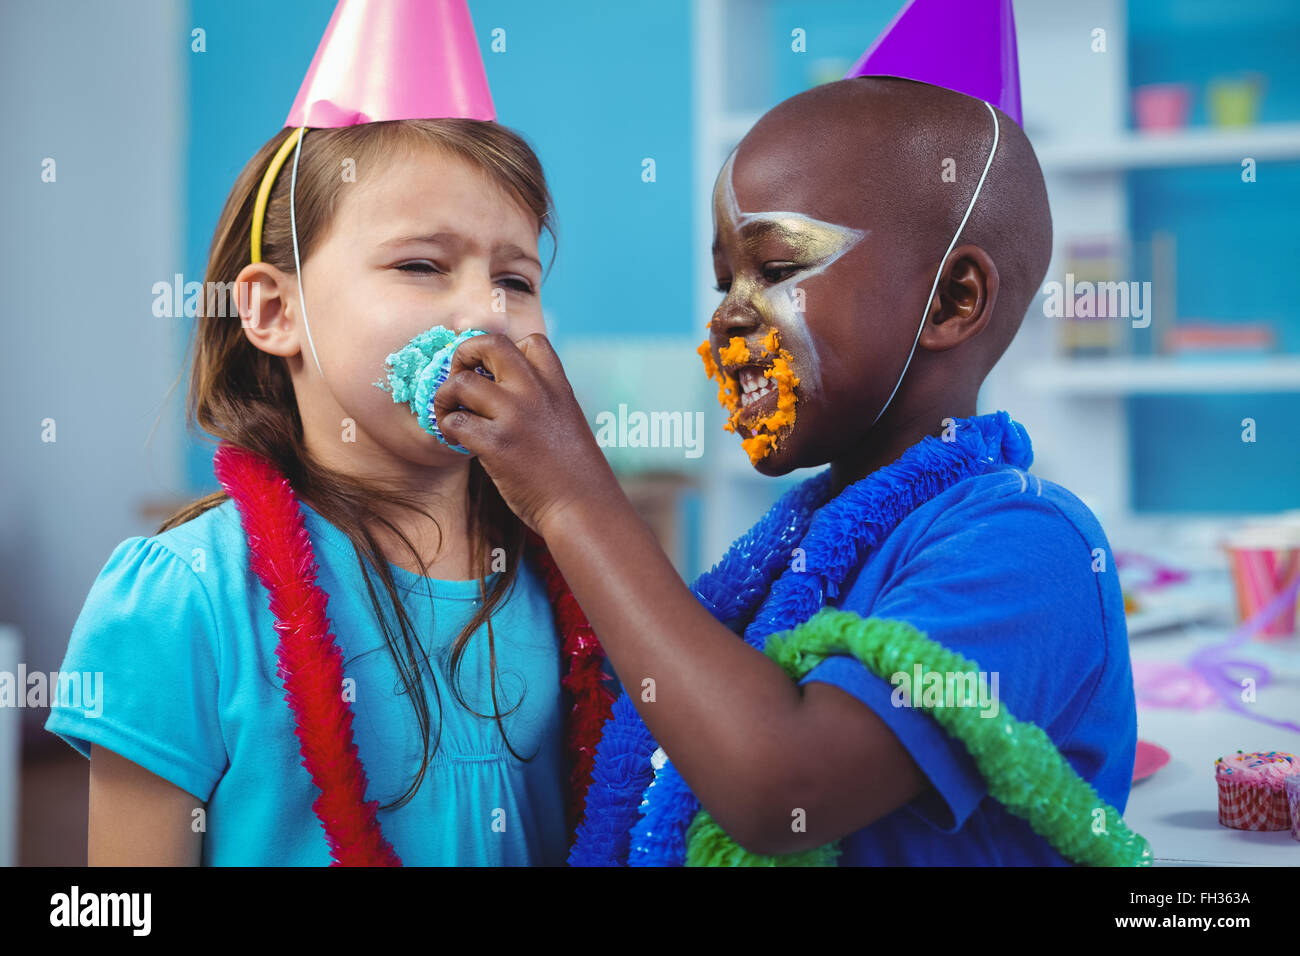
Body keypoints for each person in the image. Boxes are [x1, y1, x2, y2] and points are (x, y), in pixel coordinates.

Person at [433, 0, 1147, 865]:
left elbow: (787, 790)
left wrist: (576, 499)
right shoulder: (801, 541)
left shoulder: (1031, 545)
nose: (731, 318)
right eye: (724, 278)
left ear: (954, 300)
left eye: (776, 270)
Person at [44, 0, 611, 866]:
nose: (483, 312)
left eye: (516, 280)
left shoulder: (572, 569)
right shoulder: (185, 598)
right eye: (422, 265)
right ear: (274, 309)